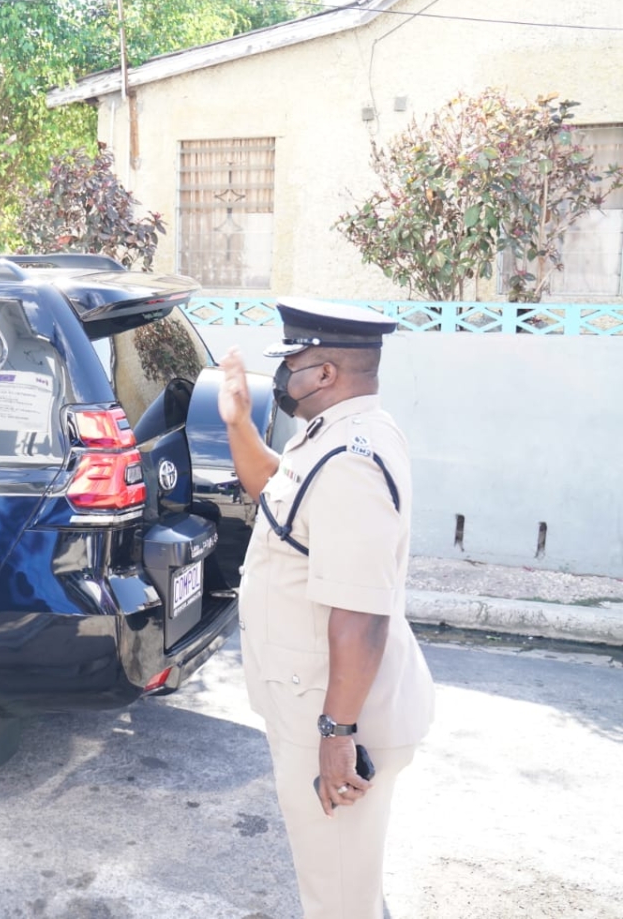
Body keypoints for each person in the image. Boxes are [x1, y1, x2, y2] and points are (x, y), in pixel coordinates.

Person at [216, 297, 434, 919]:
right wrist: (237, 422)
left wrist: (336, 736)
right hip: (314, 701)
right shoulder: (338, 436)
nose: (282, 377)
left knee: (338, 901)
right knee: (348, 882)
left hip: (336, 718)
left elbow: (360, 614)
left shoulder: (349, 462)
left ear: (326, 374)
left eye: (292, 363)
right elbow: (280, 501)